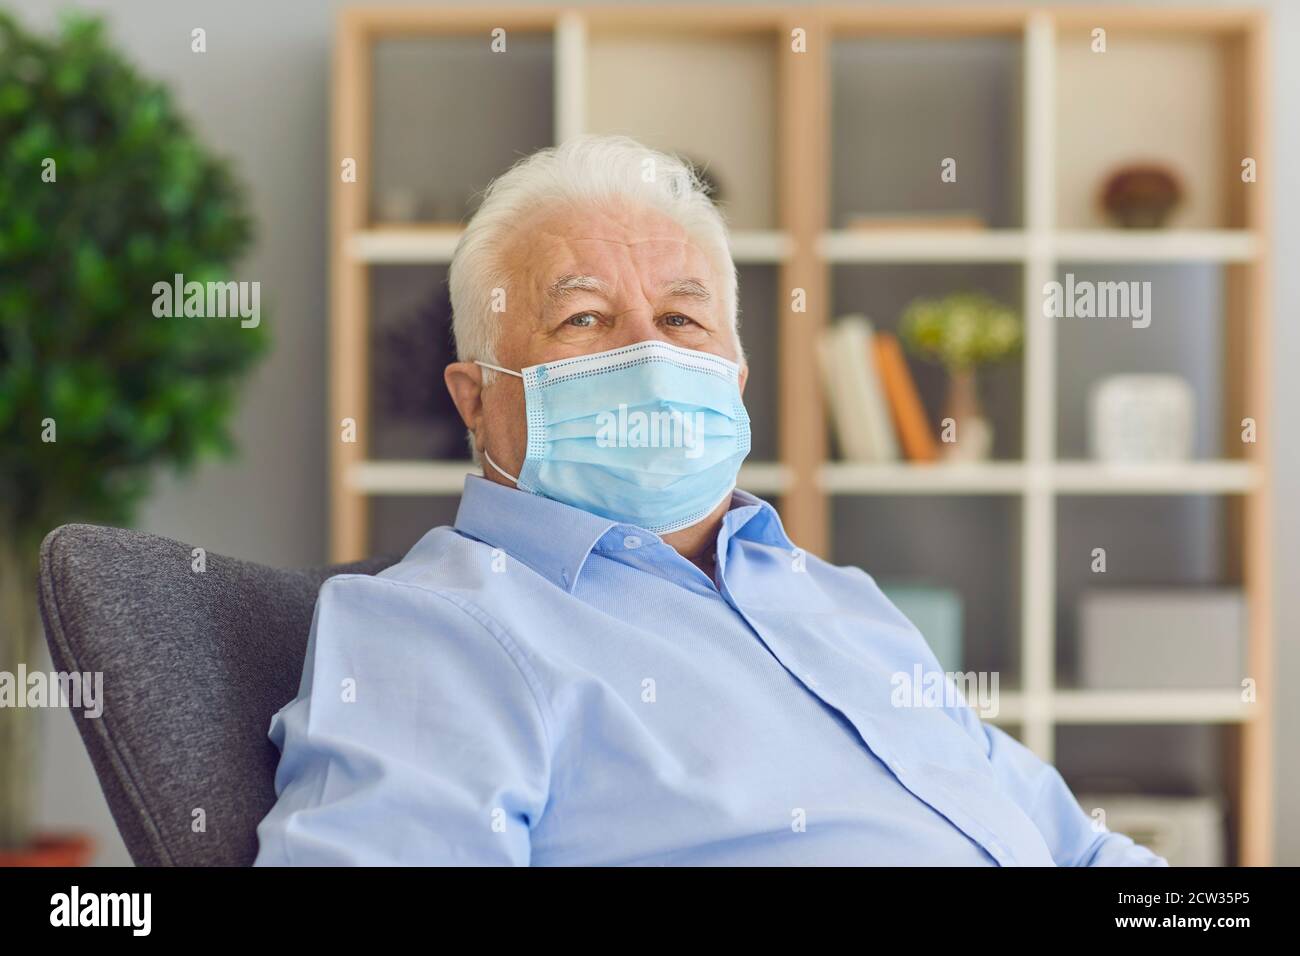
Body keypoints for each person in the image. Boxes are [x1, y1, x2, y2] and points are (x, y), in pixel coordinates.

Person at [253, 134, 1165, 866]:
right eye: (583, 319)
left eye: (684, 319)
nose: (651, 354)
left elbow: (1075, 844)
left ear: (734, 377)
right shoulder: (434, 630)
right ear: (477, 398)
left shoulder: (839, 598)